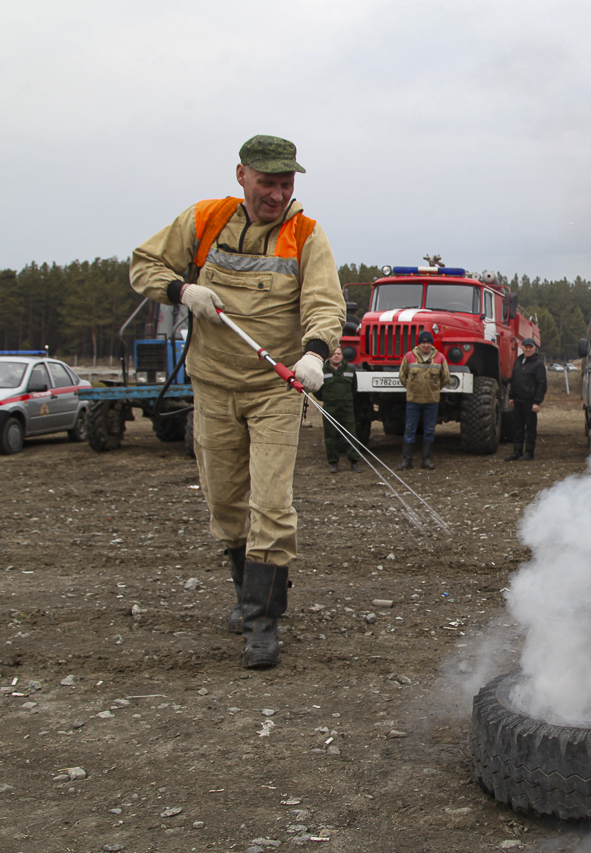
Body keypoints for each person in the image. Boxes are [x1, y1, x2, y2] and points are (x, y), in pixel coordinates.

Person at [130, 135, 345, 670]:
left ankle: (261, 621)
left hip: (274, 389)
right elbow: (143, 266)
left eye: (286, 183)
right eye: (267, 182)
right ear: (242, 175)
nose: (276, 194)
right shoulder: (204, 221)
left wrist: (316, 353)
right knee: (226, 504)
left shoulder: (306, 236)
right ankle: (248, 593)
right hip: (212, 386)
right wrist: (183, 292)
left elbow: (324, 305)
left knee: (270, 503)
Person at [398, 331, 450, 470]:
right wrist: (411, 388)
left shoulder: (440, 358)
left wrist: (435, 388)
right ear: (419, 344)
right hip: (413, 401)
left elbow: (446, 377)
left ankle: (426, 461)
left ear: (431, 344)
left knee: (429, 431)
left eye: (428, 343)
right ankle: (406, 461)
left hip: (431, 401)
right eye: (423, 342)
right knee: (409, 430)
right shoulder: (409, 357)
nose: (426, 345)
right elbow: (402, 376)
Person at [318, 347, 361, 473]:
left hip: (346, 408)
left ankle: (354, 462)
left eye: (339, 354)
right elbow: (318, 390)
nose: (336, 356)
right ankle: (333, 463)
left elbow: (354, 388)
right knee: (331, 436)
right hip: (330, 407)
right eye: (334, 354)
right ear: (329, 356)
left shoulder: (350, 369)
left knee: (351, 435)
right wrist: (327, 398)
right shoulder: (322, 370)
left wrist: (346, 400)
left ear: (342, 356)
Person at [506, 337, 547, 461]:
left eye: (531, 347)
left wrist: (537, 402)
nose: (528, 349)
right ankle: (517, 451)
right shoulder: (518, 361)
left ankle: (529, 452)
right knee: (517, 427)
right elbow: (514, 380)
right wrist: (511, 396)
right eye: (526, 347)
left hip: (530, 402)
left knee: (530, 428)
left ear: (535, 348)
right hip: (518, 401)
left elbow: (542, 384)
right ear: (522, 347)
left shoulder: (538, 364)